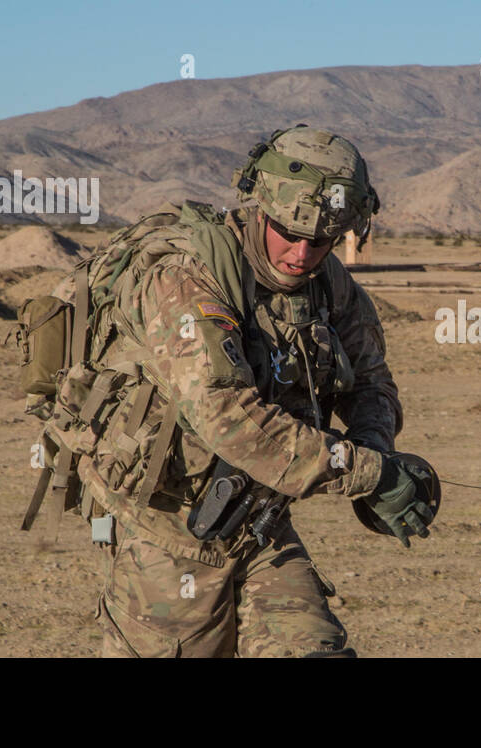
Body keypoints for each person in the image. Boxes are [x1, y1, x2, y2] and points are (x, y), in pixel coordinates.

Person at [39, 125, 434, 657]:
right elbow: (227, 415)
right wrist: (366, 473)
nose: (301, 254)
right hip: (163, 531)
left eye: (321, 240)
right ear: (259, 207)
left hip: (259, 522)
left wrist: (376, 446)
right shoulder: (186, 280)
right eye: (288, 233)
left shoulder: (329, 284)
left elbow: (370, 380)